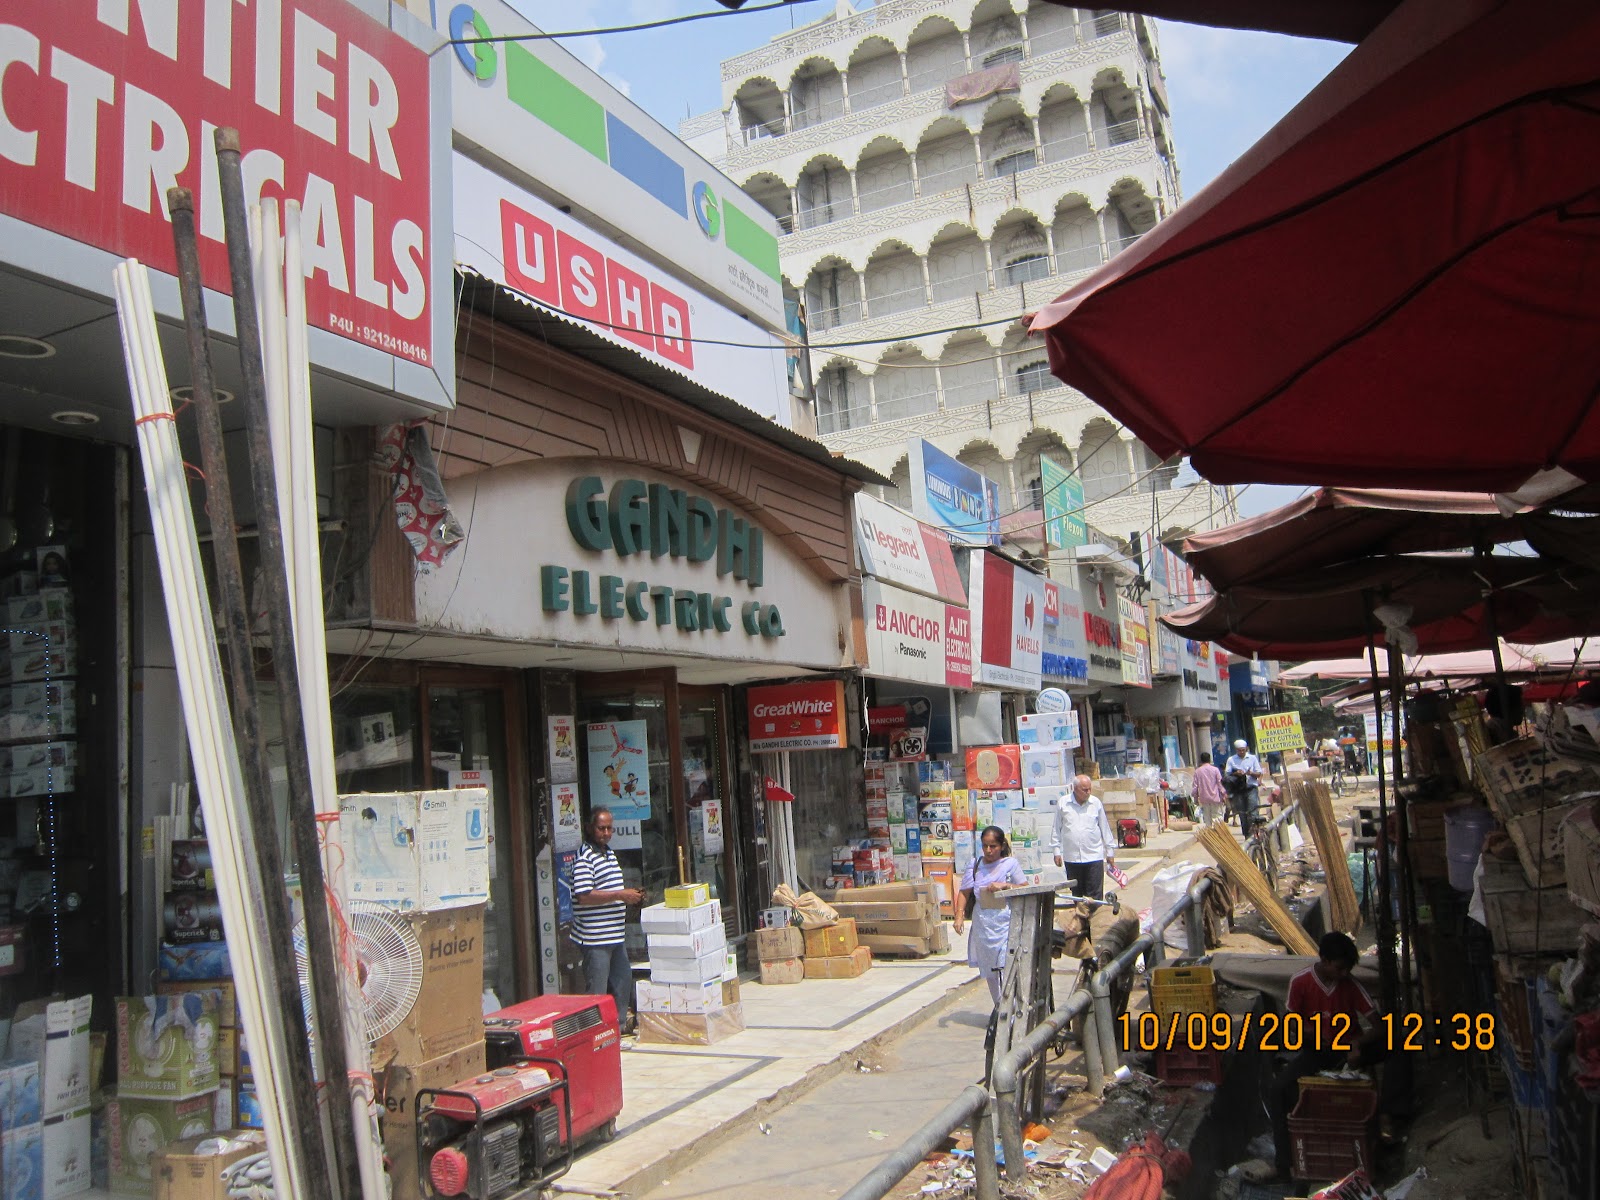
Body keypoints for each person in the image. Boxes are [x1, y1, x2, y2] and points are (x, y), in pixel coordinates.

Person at [1271, 932, 1383, 1180]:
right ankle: (1285, 1164)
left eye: (1347, 969)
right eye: (1340, 968)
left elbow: (1378, 1026)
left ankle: (1387, 1128)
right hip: (1319, 1051)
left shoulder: (1350, 985)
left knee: (1396, 1045)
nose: (1344, 974)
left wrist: (1355, 1043)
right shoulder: (1301, 982)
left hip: (1349, 1050)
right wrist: (1310, 1034)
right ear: (1324, 959)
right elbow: (1292, 1021)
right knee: (1280, 1089)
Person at [572, 808, 645, 1033]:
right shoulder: (585, 858)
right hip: (595, 939)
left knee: (622, 983)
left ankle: (618, 1029)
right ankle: (595, 1036)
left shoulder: (609, 853)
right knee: (597, 990)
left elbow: (610, 889)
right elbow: (583, 895)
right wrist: (620, 895)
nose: (605, 833)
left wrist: (630, 896)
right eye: (601, 828)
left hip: (615, 936)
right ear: (590, 828)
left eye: (609, 828)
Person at [952, 826, 1026, 1006]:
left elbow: (1025, 887)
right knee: (990, 969)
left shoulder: (1010, 864)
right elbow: (964, 892)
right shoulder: (975, 865)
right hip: (983, 924)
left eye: (993, 846)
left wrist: (1005, 886)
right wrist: (959, 916)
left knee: (1005, 964)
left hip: (1005, 921)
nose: (988, 850)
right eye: (985, 846)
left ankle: (1013, 1006)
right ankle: (999, 1007)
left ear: (1001, 846)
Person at [1051, 775, 1117, 901]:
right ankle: (1081, 920)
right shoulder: (1063, 803)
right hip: (1072, 858)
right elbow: (1056, 828)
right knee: (1077, 895)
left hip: (1094, 857)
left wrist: (1110, 852)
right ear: (1075, 789)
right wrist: (1056, 851)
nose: (1088, 792)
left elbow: (1105, 828)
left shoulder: (1095, 803)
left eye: (1089, 789)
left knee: (1094, 897)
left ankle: (1094, 920)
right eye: (1084, 790)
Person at [1224, 739, 1264, 835]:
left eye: (1243, 750)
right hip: (1238, 790)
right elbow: (1227, 775)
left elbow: (1259, 773)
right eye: (1239, 750)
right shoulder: (1231, 760)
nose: (1241, 752)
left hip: (1251, 788)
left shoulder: (1252, 758)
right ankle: (1247, 835)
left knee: (1253, 812)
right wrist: (1236, 773)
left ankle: (1255, 834)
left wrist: (1251, 773)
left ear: (1246, 749)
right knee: (1242, 814)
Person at [1192, 752, 1225, 826]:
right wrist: (1224, 794)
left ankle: (1210, 834)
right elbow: (1220, 783)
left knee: (1207, 818)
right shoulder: (1215, 770)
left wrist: (1195, 798)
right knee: (1217, 817)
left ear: (1201, 760)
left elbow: (1195, 787)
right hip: (1215, 798)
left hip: (1204, 798)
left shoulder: (1197, 771)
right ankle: (1218, 834)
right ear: (1210, 760)